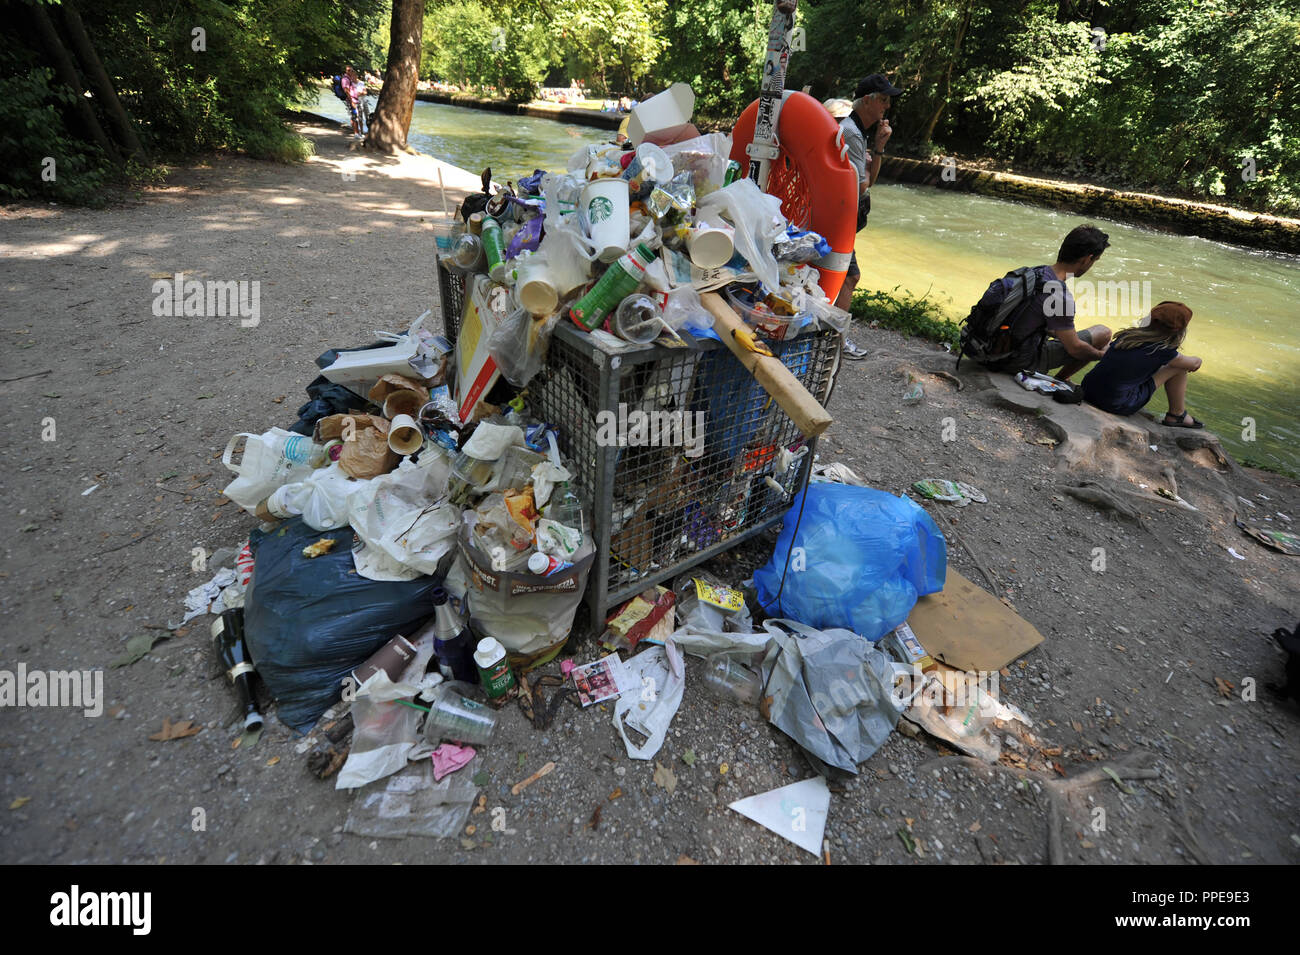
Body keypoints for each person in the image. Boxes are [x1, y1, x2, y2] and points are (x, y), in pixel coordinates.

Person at [970, 224, 1115, 380]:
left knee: (1070, 336)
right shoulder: (1060, 295)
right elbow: (1075, 349)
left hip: (980, 347)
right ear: (1087, 259)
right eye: (1095, 260)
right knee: (1103, 333)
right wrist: (1101, 355)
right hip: (1015, 361)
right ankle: (1060, 381)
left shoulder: (1033, 272)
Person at [831, 74, 902, 358]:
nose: (887, 106)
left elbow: (868, 180)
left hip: (845, 219)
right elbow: (862, 185)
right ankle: (836, 342)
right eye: (883, 100)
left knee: (845, 277)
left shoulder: (859, 132)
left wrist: (880, 147)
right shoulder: (850, 131)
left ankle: (833, 338)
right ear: (869, 100)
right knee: (850, 277)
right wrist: (870, 159)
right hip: (839, 219)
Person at [1081, 301, 1204, 427]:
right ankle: (1177, 414)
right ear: (1179, 330)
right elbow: (1193, 364)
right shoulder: (1162, 350)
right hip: (1116, 404)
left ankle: (1177, 414)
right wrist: (1198, 359)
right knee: (1179, 367)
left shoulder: (1128, 335)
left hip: (1087, 390)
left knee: (1165, 364)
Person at [341, 65, 367, 138]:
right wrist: (351, 101)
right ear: (345, 71)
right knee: (354, 116)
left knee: (355, 116)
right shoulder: (345, 79)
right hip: (351, 100)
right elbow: (346, 91)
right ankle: (356, 133)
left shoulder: (349, 79)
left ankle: (357, 133)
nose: (350, 72)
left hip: (355, 100)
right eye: (348, 70)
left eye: (351, 70)